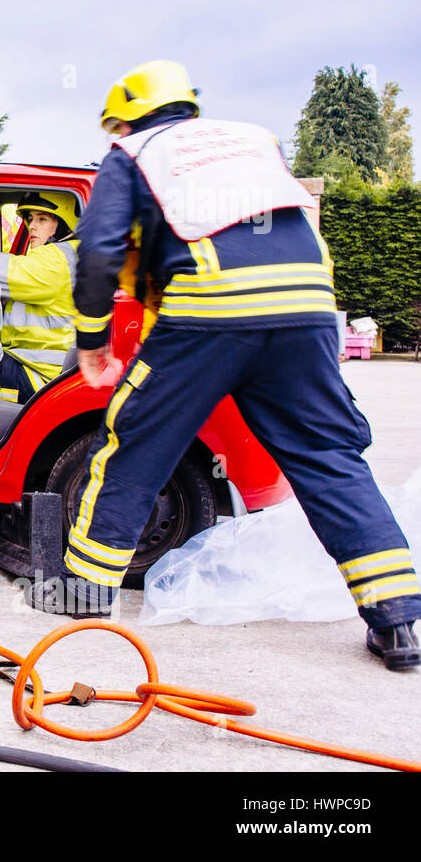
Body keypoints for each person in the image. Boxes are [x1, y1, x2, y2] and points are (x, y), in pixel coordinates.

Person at [24, 59, 420, 671]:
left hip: (208, 309)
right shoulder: (256, 142)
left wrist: (93, 337)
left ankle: (84, 591)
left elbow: (100, 251)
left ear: (124, 118)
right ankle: (399, 621)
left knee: (135, 444)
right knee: (329, 458)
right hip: (308, 308)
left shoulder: (134, 152)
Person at [0, 192, 78, 404]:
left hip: (39, 375)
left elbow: (0, 270)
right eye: (30, 218)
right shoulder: (71, 254)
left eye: (42, 219)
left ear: (65, 225)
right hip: (41, 365)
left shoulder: (58, 260)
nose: (32, 226)